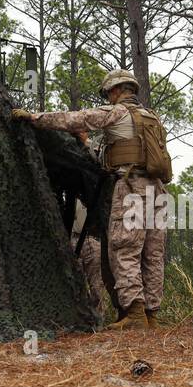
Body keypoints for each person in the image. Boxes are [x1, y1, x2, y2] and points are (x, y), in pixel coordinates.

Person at [12, 68, 167, 330]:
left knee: (125, 249)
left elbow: (76, 118)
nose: (108, 98)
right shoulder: (152, 117)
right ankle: (152, 316)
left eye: (108, 93)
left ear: (116, 90)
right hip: (159, 192)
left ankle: (135, 314)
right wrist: (88, 145)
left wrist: (36, 117)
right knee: (153, 254)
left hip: (132, 188)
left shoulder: (117, 112)